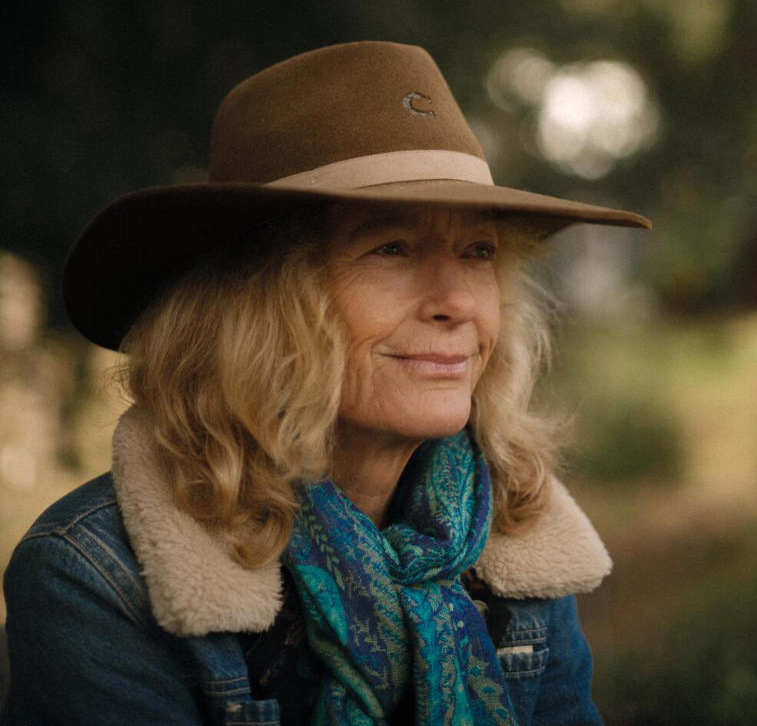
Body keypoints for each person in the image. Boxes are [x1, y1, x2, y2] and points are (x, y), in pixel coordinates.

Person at [1, 40, 649, 726]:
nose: (455, 301)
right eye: (392, 248)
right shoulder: (97, 575)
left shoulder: (513, 531)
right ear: (254, 305)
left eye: (477, 251)